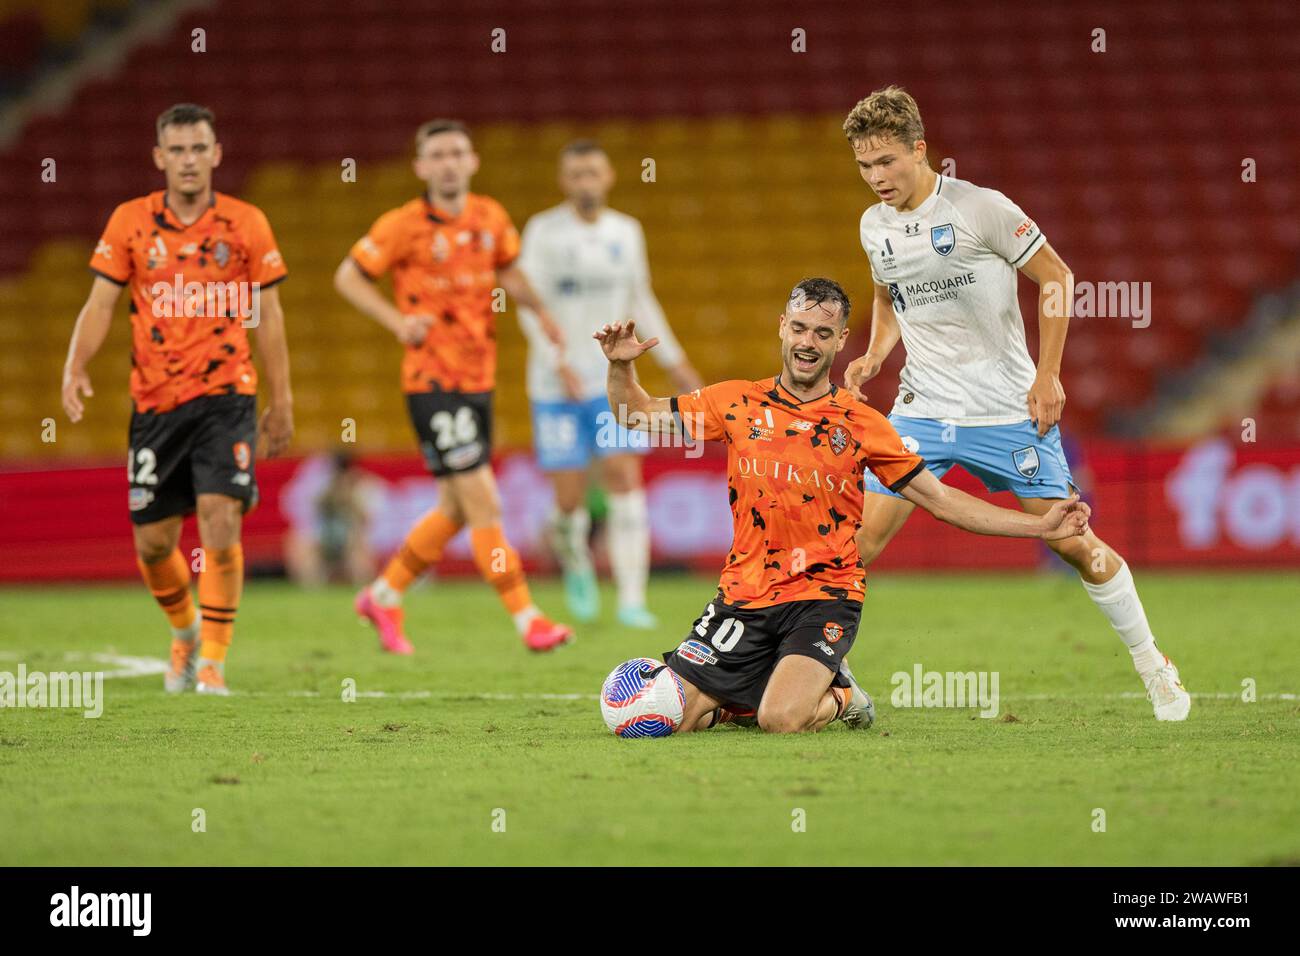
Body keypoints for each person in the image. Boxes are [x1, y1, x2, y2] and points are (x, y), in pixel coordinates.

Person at [596, 278, 1090, 734]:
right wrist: (621, 365)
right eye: (800, 328)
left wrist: (1039, 525)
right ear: (782, 329)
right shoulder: (735, 402)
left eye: (823, 333)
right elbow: (634, 414)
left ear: (839, 340)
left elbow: (940, 500)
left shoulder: (862, 422)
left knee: (782, 720)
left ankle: (842, 692)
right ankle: (735, 699)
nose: (808, 342)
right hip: (743, 594)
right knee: (671, 720)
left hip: (824, 594)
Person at [841, 86, 1189, 721]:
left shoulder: (982, 208)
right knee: (853, 546)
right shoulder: (874, 225)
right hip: (921, 411)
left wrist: (1048, 375)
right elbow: (889, 298)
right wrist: (873, 355)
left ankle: (1153, 665)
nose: (876, 178)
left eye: (887, 162)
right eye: (865, 166)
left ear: (920, 151)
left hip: (1005, 411)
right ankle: (827, 672)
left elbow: (1059, 278)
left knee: (1073, 542)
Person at [61, 103, 294, 695]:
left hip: (227, 395)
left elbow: (267, 315)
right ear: (159, 157)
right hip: (156, 404)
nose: (189, 160)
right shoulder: (130, 222)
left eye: (199, 149)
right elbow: (100, 303)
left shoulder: (246, 225)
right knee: (154, 542)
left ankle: (212, 661)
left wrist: (282, 399)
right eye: (178, 150)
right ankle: (185, 632)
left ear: (216, 154)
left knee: (221, 520)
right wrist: (75, 364)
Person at [335, 119, 572, 654]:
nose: (448, 162)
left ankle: (383, 594)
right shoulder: (402, 225)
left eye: (457, 153)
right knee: (484, 501)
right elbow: (347, 276)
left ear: (472, 161)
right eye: (436, 154)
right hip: (432, 380)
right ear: (420, 166)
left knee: (455, 507)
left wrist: (543, 315)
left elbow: (508, 272)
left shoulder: (490, 217)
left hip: (478, 379)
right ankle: (527, 618)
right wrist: (395, 322)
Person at [517, 139, 701, 627]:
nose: (585, 182)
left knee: (623, 478)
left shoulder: (626, 231)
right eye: (575, 174)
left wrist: (675, 362)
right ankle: (577, 562)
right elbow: (529, 304)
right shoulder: (543, 232)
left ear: (608, 176)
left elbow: (641, 298)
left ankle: (631, 599)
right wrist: (555, 360)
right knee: (569, 500)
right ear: (564, 181)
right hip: (555, 386)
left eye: (592, 173)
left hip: (609, 381)